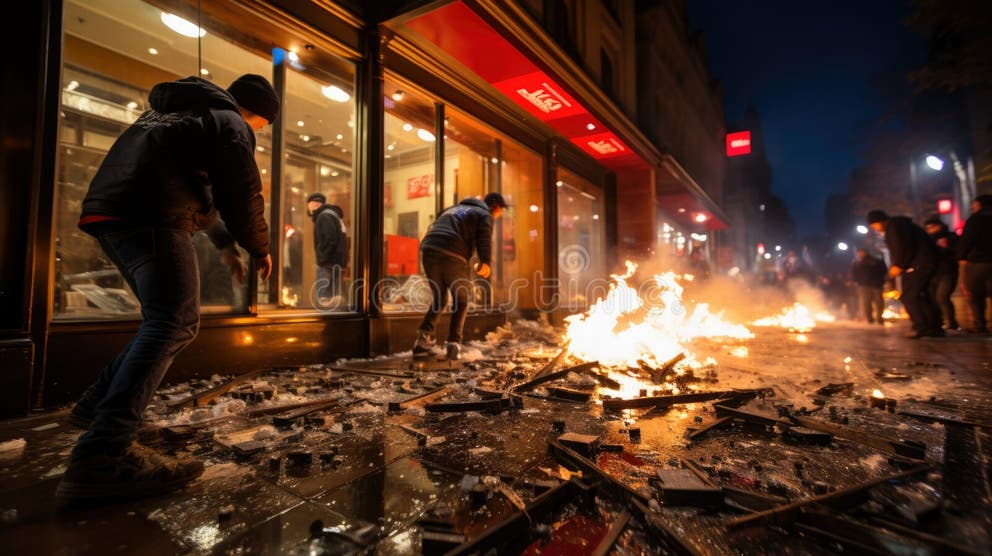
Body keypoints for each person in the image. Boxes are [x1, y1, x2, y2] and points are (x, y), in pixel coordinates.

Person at [59, 74, 278, 505]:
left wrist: (222, 243)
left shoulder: (173, 115)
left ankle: (96, 409)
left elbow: (193, 188)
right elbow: (241, 190)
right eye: (264, 125)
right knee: (174, 321)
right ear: (258, 114)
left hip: (112, 214)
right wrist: (258, 247)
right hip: (153, 216)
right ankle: (104, 453)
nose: (260, 132)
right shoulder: (229, 122)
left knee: (162, 320)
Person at [413, 192, 507, 360]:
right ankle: (453, 345)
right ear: (494, 206)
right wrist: (485, 261)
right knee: (462, 299)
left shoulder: (451, 209)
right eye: (500, 212)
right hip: (452, 251)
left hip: (429, 249)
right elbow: (484, 237)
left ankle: (422, 342)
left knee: (440, 299)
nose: (498, 215)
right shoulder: (484, 213)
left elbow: (432, 228)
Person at [867, 210, 942, 338]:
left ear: (879, 221)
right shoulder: (901, 226)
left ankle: (921, 326)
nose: (875, 229)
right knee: (921, 295)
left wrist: (899, 265)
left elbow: (901, 247)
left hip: (919, 265)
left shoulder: (894, 228)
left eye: (874, 226)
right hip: (924, 263)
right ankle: (933, 327)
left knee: (909, 296)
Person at [957, 194, 992, 334]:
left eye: (974, 205)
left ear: (980, 205)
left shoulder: (976, 220)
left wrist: (961, 255)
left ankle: (979, 324)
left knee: (975, 293)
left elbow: (967, 240)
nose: (972, 207)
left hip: (979, 261)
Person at [307, 192, 348, 308]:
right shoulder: (333, 215)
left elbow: (330, 240)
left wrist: (322, 259)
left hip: (328, 263)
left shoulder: (323, 217)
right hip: (337, 262)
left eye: (309, 204)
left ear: (314, 204)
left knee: (324, 299)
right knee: (336, 298)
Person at [923, 215, 960, 331]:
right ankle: (938, 322)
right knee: (933, 298)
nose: (930, 230)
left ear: (939, 226)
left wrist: (944, 248)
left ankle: (951, 323)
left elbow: (958, 252)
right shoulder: (927, 240)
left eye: (932, 227)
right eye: (928, 228)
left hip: (948, 271)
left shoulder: (951, 237)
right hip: (932, 272)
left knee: (942, 297)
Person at [850, 248, 887, 324]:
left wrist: (881, 280)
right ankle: (869, 319)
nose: (860, 254)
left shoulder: (876, 261)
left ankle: (879, 318)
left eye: (861, 252)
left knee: (879, 303)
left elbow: (883, 271)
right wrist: (856, 281)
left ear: (866, 252)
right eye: (859, 252)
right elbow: (854, 273)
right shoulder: (857, 263)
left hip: (877, 285)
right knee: (866, 303)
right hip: (864, 285)